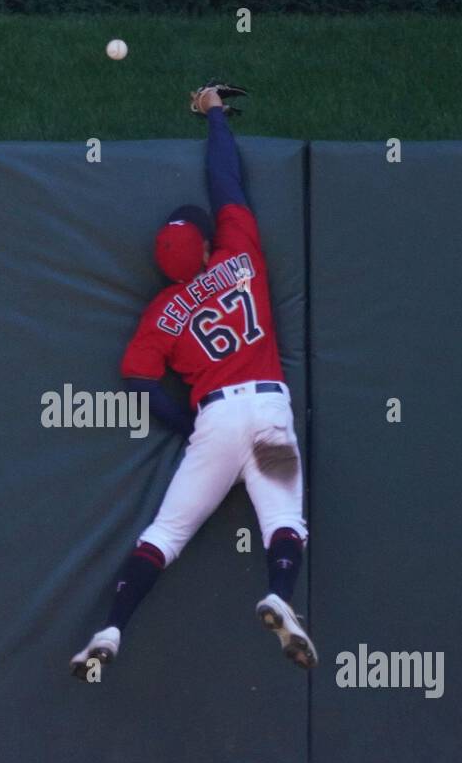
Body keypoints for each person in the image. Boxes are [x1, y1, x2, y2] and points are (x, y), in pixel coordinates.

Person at [70, 86, 315, 679]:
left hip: (215, 418)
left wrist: (183, 423)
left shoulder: (159, 313)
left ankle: (111, 629)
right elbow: (226, 184)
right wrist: (214, 116)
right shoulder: (240, 255)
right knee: (284, 524)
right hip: (268, 409)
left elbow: (137, 379)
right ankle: (279, 593)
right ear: (205, 247)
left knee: (167, 533)